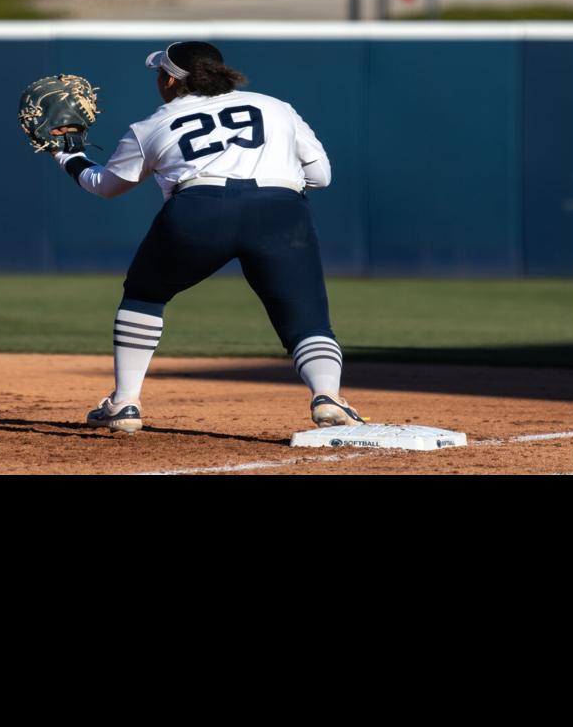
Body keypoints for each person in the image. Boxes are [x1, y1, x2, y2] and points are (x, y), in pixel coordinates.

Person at [47, 41, 365, 434]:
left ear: (168, 79)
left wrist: (66, 153)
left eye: (157, 73)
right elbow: (321, 178)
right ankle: (327, 397)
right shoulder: (275, 107)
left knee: (145, 294)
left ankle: (125, 404)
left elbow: (105, 185)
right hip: (280, 211)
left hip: (200, 208)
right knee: (308, 320)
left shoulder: (151, 125)